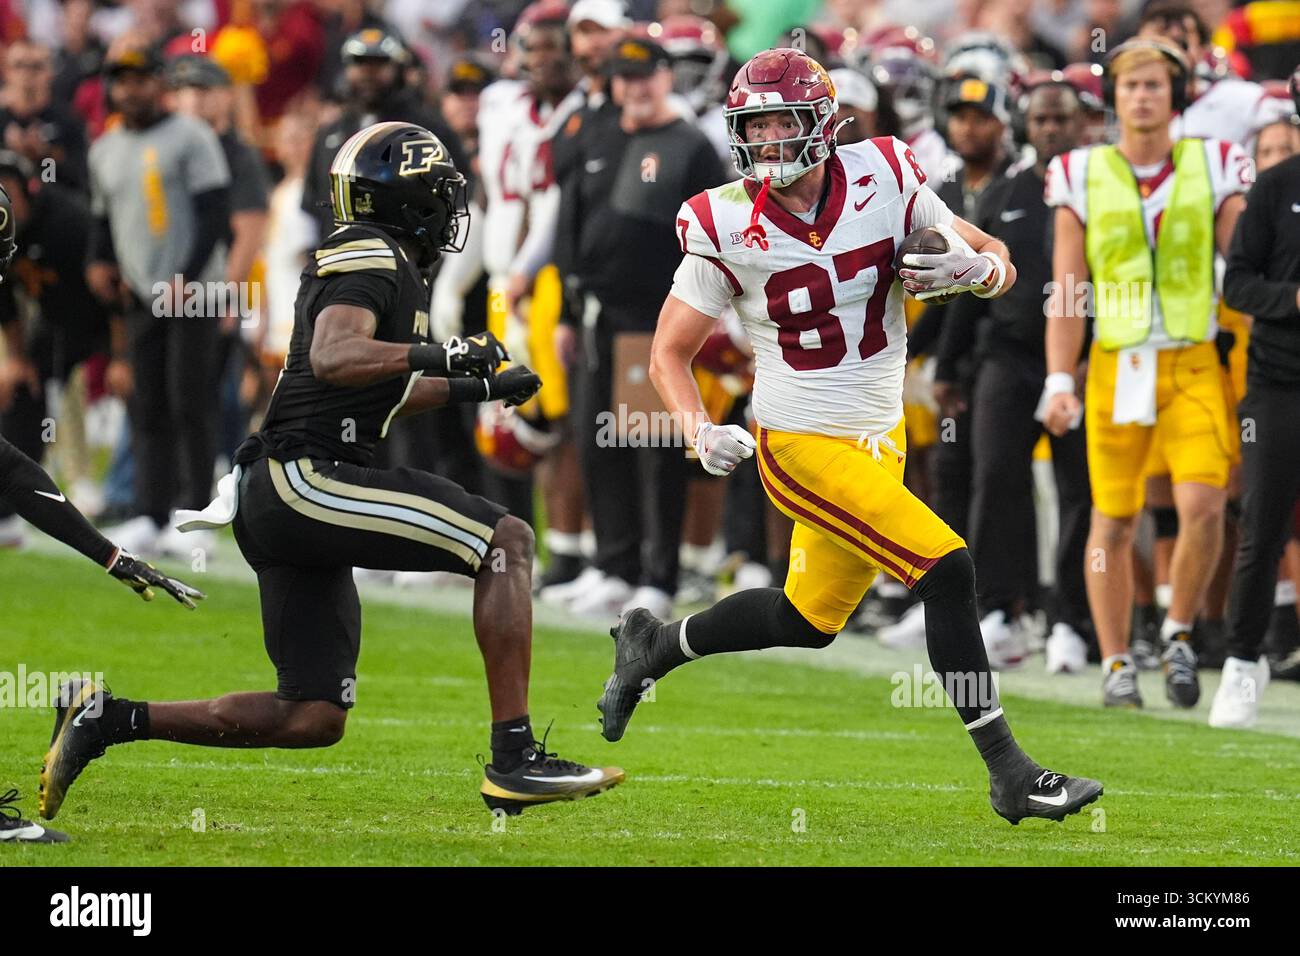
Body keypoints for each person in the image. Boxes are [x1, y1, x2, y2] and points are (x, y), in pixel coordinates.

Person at [35, 123, 621, 824]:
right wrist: (439, 354)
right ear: (409, 200)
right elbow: (336, 356)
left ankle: (105, 719)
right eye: (440, 195)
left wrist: (475, 386)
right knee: (506, 540)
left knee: (310, 714)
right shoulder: (374, 253)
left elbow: (373, 388)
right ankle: (515, 757)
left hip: (288, 490)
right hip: (305, 478)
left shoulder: (375, 258)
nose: (449, 211)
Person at [599, 48, 1102, 825]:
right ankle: (1011, 772)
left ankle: (653, 647)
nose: (766, 141)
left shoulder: (889, 175)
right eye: (752, 125)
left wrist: (975, 272)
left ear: (823, 124)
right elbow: (670, 351)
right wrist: (697, 428)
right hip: (799, 442)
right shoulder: (724, 218)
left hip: (879, 435)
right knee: (946, 566)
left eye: (781, 122)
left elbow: (997, 260)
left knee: (808, 620)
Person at [1042, 38, 1250, 709]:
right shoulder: (1081, 172)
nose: (1142, 96)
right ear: (1114, 97)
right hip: (1118, 359)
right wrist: (1058, 378)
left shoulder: (1214, 162)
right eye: (1131, 85)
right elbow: (1069, 287)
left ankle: (1181, 632)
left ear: (1175, 94)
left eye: (1155, 85)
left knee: (1204, 503)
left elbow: (1242, 261)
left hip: (1191, 356)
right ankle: (1114, 661)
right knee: (1113, 517)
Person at [554, 36, 727, 620]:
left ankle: (659, 575)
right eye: (624, 77)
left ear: (665, 76)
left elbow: (712, 232)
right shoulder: (594, 135)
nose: (636, 86)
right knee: (597, 440)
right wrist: (564, 311)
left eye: (646, 75)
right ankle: (613, 565)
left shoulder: (691, 146)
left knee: (653, 445)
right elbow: (569, 222)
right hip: (595, 311)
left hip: (655, 314)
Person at [935, 81, 1093, 674]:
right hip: (1006, 354)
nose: (1051, 127)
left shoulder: (1101, 189)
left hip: (1080, 361)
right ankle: (998, 608)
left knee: (1080, 492)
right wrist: (950, 366)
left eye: (1062, 117)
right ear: (1025, 126)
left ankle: (1070, 620)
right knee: (996, 477)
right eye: (1042, 118)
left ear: (1083, 125)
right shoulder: (1005, 191)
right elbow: (971, 286)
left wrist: (1089, 355)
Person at [89, 40, 232, 557]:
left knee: (190, 400)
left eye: (141, 79)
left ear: (160, 84)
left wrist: (186, 275)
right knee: (146, 403)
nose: (131, 89)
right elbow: (105, 218)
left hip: (193, 292)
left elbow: (215, 214)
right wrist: (97, 262)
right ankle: (150, 513)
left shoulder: (190, 136)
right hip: (141, 293)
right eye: (122, 80)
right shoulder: (104, 148)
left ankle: (193, 517)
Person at [1212, 66, 1300, 728]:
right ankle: (1244, 660)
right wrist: (1292, 299)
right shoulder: (1273, 187)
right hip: (1280, 380)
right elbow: (1236, 283)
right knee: (1263, 522)